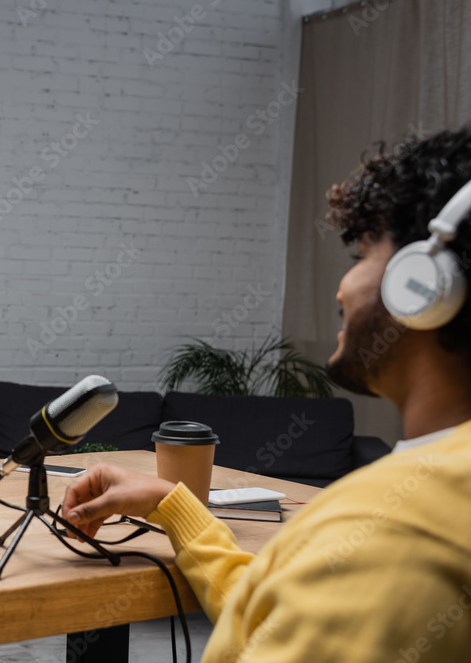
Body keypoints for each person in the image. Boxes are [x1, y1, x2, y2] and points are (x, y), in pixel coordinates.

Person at [63, 126, 471, 661]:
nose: (341, 289)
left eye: (360, 257)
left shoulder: (391, 531)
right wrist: (170, 504)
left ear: (424, 282)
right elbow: (287, 619)